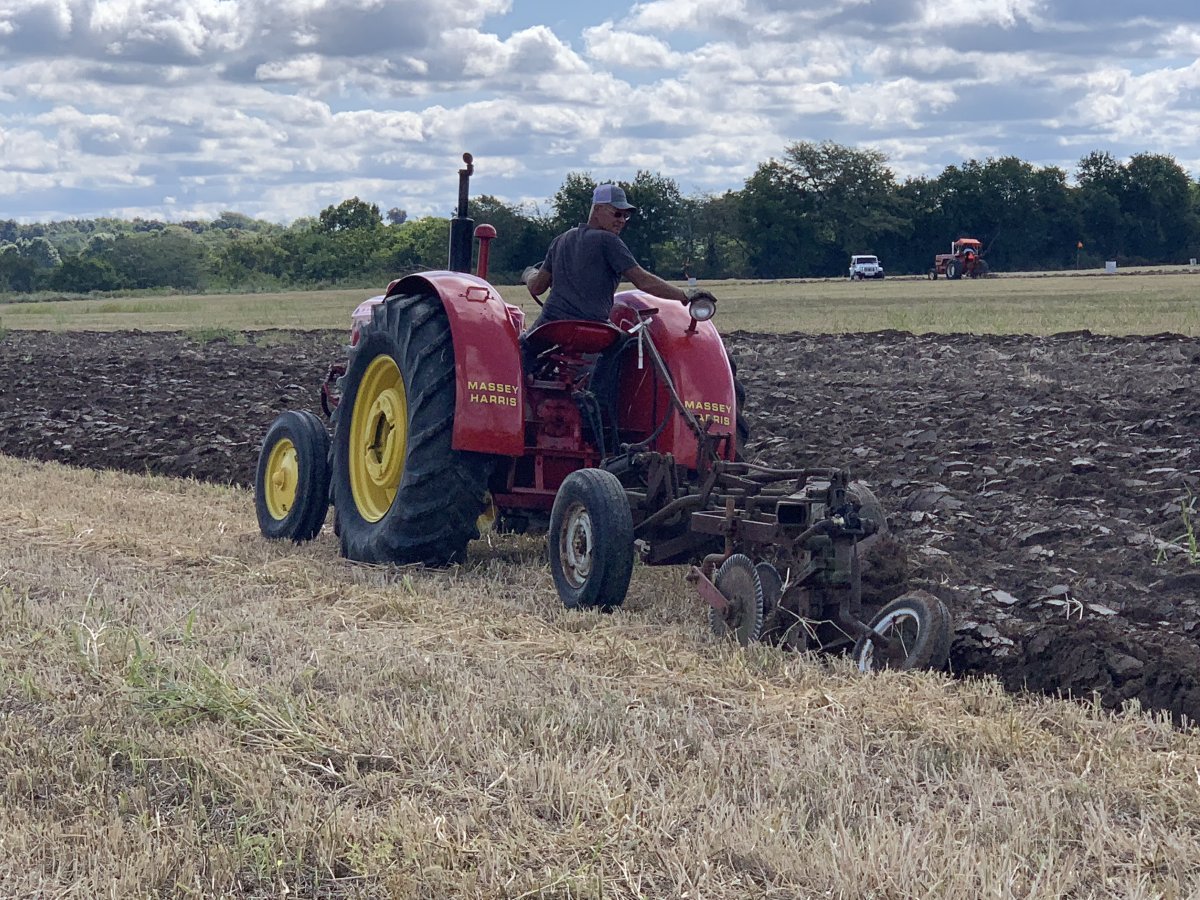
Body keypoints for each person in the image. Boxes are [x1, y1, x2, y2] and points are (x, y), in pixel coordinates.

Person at [522, 183, 716, 328]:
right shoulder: (608, 241)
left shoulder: (561, 240)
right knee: (626, 351)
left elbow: (537, 286)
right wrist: (685, 295)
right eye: (617, 214)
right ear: (597, 210)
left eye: (626, 215)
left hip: (550, 326)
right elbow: (644, 281)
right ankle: (600, 383)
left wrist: (528, 273)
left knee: (522, 353)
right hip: (593, 327)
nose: (622, 220)